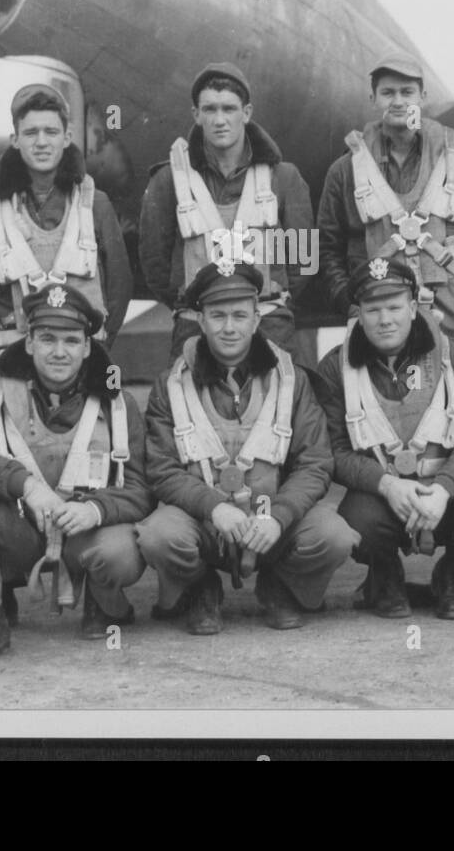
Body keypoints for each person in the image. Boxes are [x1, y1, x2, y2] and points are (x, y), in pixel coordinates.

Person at [0, 284, 151, 665]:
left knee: (122, 549)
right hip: (20, 530)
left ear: (87, 346)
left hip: (83, 534)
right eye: (47, 338)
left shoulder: (119, 403)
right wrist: (27, 486)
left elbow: (141, 490)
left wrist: (95, 510)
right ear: (29, 342)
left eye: (71, 340)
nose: (59, 351)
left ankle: (106, 602)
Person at [137, 261, 357, 635]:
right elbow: (162, 469)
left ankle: (281, 583)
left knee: (334, 535)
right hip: (203, 519)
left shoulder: (292, 380)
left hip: (271, 517)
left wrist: (279, 515)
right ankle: (199, 586)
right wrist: (214, 507)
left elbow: (315, 463)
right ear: (200, 320)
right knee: (157, 536)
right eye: (217, 315)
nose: (228, 327)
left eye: (240, 315)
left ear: (257, 319)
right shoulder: (170, 384)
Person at [313, 257, 454, 620]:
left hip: (447, 495)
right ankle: (385, 578)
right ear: (358, 313)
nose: (385, 319)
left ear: (414, 306)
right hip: (385, 496)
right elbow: (333, 450)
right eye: (373, 309)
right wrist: (386, 484)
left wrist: (444, 488)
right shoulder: (334, 368)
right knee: (356, 517)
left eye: (394, 306)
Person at [317, 52, 454, 350]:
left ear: (423, 96)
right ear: (373, 98)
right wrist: (349, 302)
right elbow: (327, 247)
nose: (398, 101)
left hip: (453, 312)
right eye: (387, 93)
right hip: (379, 313)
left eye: (407, 92)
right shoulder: (344, 171)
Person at [0, 84, 132, 369]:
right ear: (15, 139)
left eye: (51, 132)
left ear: (68, 137)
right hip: (8, 355)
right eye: (31, 133)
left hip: (78, 359)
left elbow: (120, 284)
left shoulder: (96, 205)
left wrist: (94, 347)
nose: (42, 142)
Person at [138, 62, 314, 357]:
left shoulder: (284, 178)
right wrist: (194, 303)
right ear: (196, 115)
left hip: (268, 321)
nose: (219, 120)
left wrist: (271, 298)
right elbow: (154, 264)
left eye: (229, 109)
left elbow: (305, 260)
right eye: (209, 110)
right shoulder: (168, 181)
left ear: (246, 113)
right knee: (180, 400)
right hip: (197, 324)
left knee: (288, 396)